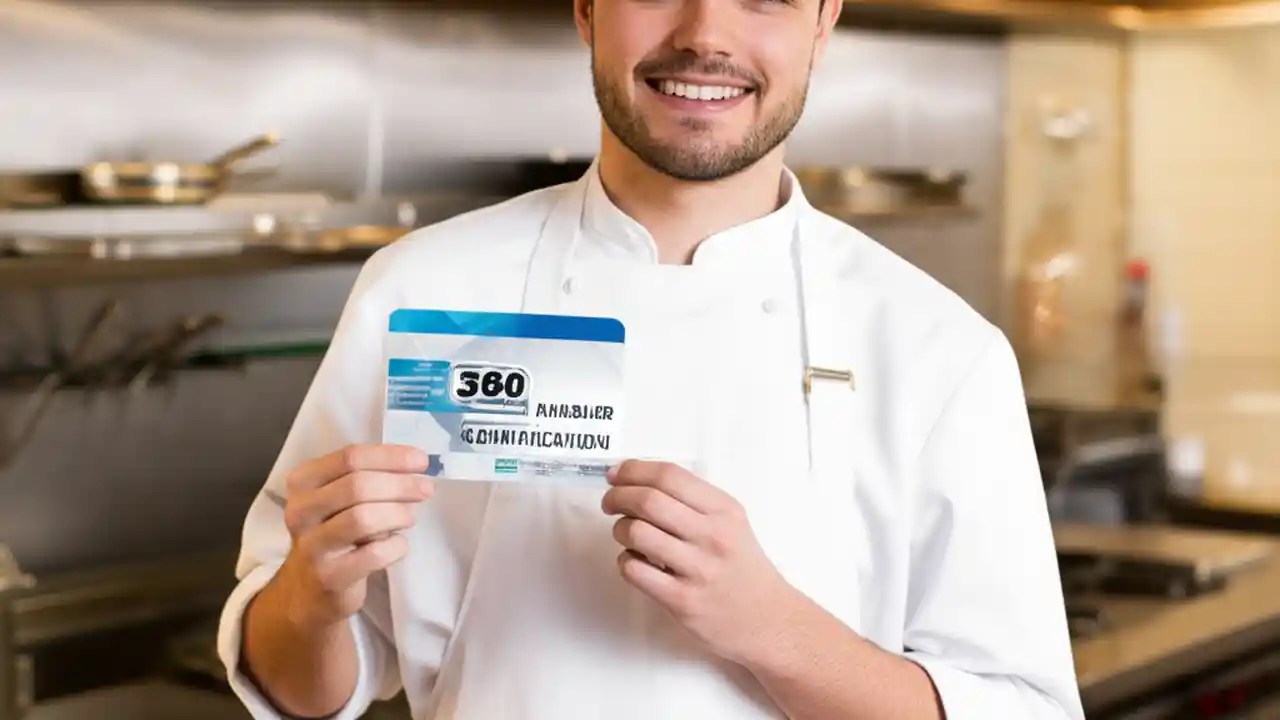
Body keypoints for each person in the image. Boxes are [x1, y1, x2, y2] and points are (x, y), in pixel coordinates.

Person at [218, 0, 1084, 718]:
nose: (706, 33)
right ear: (586, 9)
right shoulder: (428, 288)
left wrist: (773, 629)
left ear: (825, 18)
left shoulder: (938, 349)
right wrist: (311, 596)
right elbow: (302, 688)